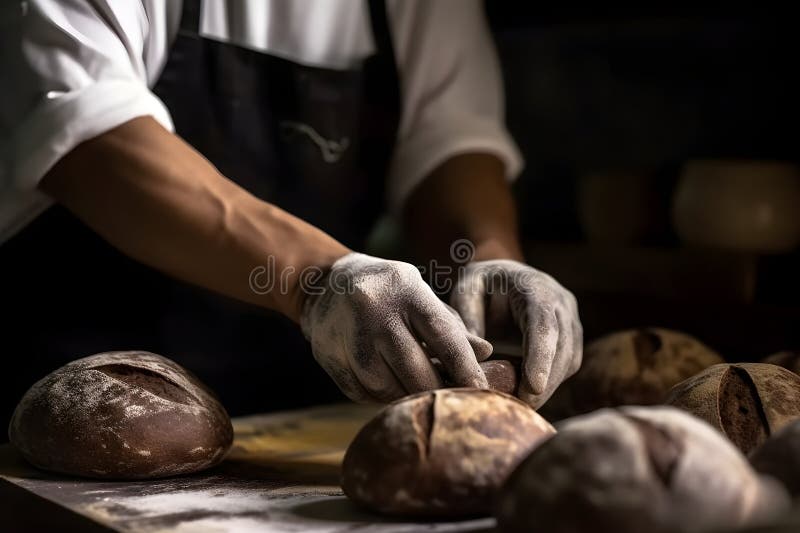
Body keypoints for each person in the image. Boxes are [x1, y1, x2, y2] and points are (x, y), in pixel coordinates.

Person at [0, 0, 582, 427]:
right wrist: (319, 277)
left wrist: (488, 257)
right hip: (72, 403)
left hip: (297, 414)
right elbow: (88, 144)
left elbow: (449, 142)